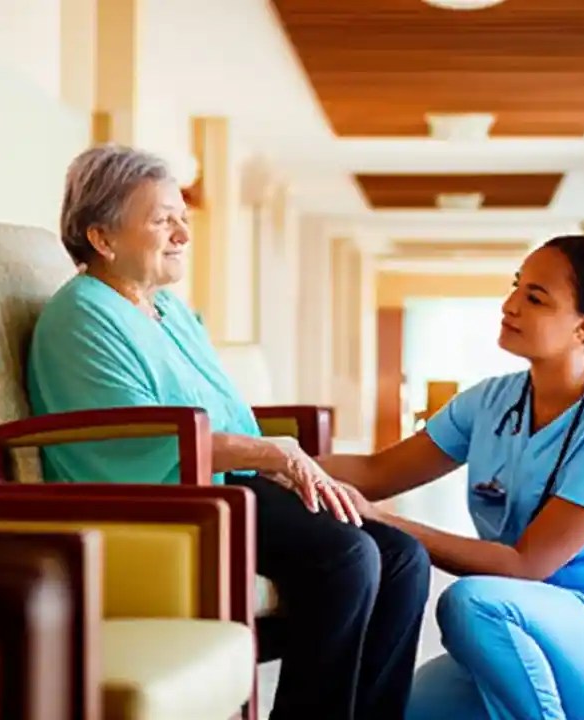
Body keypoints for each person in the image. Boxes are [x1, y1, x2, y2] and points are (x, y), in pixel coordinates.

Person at [26, 144, 430, 720]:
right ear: (103, 238)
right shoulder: (83, 314)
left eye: (182, 219)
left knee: (405, 559)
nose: (182, 236)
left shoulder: (169, 313)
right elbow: (133, 437)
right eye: (162, 220)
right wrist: (271, 453)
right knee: (346, 559)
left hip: (225, 482)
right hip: (168, 498)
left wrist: (275, 460)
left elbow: (222, 412)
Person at [319, 235, 584, 719]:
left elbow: (527, 565)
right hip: (515, 628)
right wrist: (278, 462)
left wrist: (382, 521)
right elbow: (376, 471)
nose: (509, 306)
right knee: (402, 711)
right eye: (515, 287)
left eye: (535, 297)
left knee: (469, 603)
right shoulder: (489, 401)